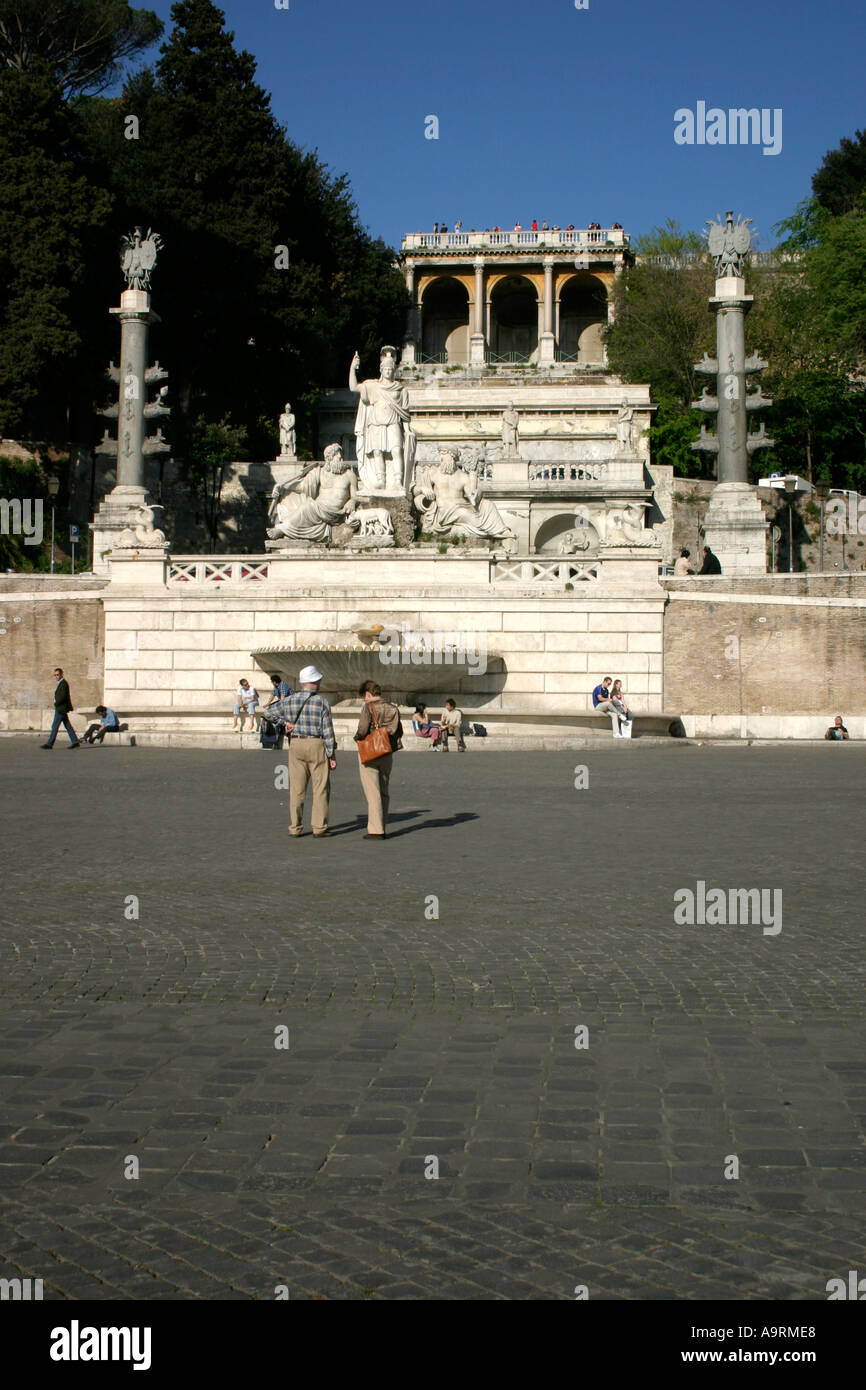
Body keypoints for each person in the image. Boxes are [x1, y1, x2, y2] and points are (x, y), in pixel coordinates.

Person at [284, 665, 337, 837]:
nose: (320, 682)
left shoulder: (290, 700)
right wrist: (331, 754)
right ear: (313, 682)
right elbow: (328, 730)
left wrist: (285, 724)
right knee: (320, 788)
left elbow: (269, 713)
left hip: (296, 744)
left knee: (296, 789)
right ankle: (319, 827)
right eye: (318, 680)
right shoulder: (322, 702)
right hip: (316, 744)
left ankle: (295, 827)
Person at [354, 681, 403, 839]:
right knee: (383, 790)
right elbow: (398, 731)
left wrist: (358, 738)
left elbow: (362, 729)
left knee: (372, 791)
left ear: (368, 694)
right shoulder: (393, 708)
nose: (365, 700)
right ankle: (382, 822)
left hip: (370, 752)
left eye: (364, 697)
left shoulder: (368, 707)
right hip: (386, 751)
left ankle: (376, 830)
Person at [41, 667, 80, 749]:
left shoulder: (64, 684)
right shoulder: (60, 683)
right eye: (55, 675)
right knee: (67, 725)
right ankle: (75, 741)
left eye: (57, 675)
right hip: (60, 708)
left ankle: (49, 744)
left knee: (55, 726)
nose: (56, 677)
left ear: (62, 674)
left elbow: (63, 697)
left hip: (60, 708)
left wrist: (56, 703)